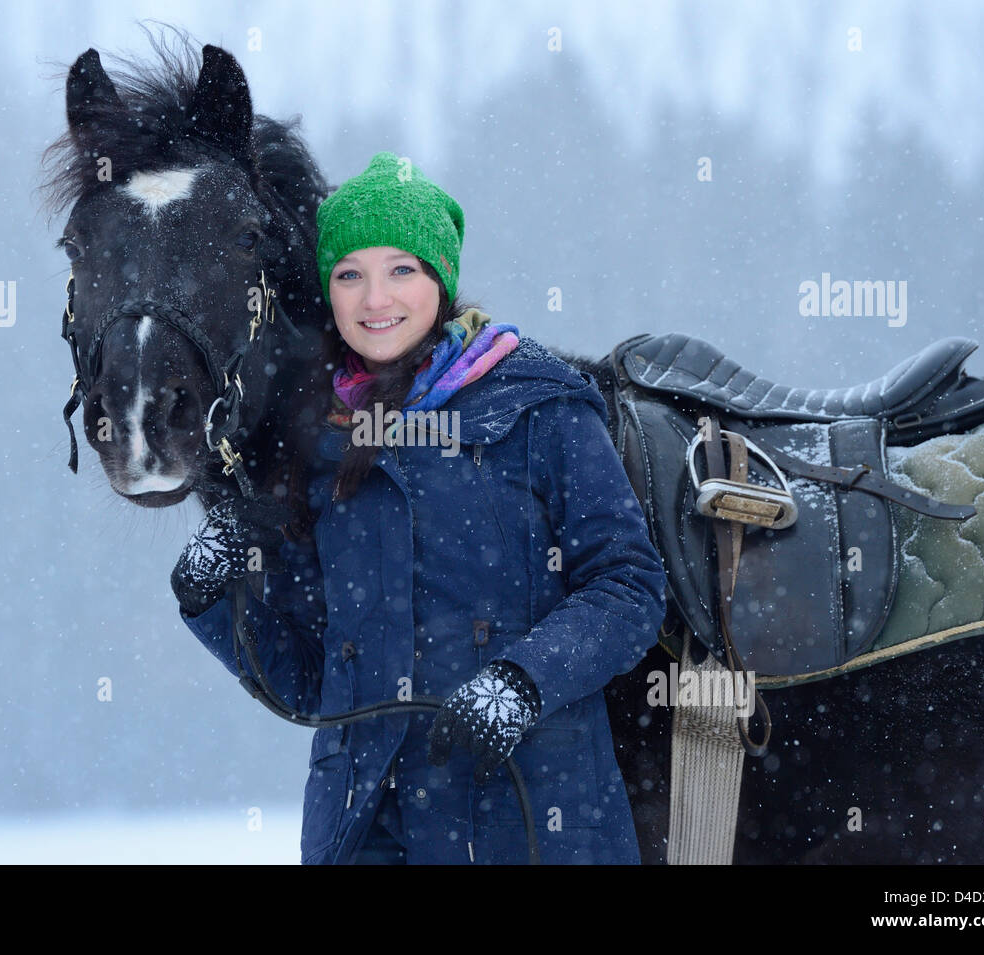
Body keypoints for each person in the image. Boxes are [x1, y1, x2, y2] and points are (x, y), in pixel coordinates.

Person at [173, 151, 667, 864]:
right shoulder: (318, 443)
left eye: (400, 269)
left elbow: (628, 585)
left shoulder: (541, 405)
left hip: (530, 822)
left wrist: (520, 682)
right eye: (350, 275)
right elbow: (316, 681)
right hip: (364, 830)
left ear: (439, 277)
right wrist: (220, 603)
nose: (375, 299)